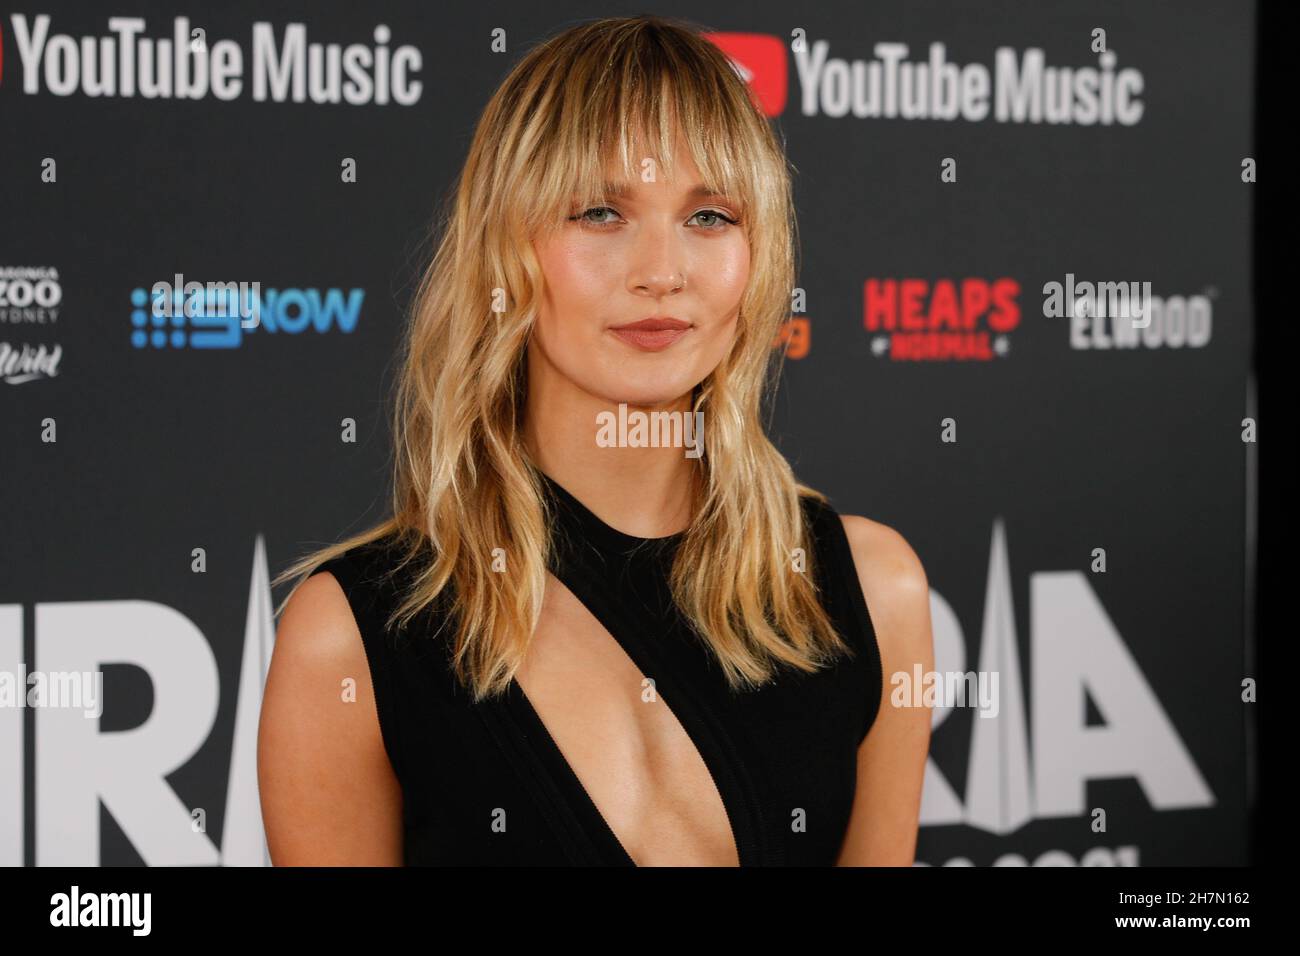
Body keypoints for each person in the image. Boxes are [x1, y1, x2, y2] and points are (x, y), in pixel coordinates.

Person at [258, 14, 934, 866]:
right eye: (601, 211)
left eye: (711, 216)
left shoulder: (873, 592)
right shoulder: (352, 637)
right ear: (507, 249)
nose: (661, 270)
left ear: (759, 258)